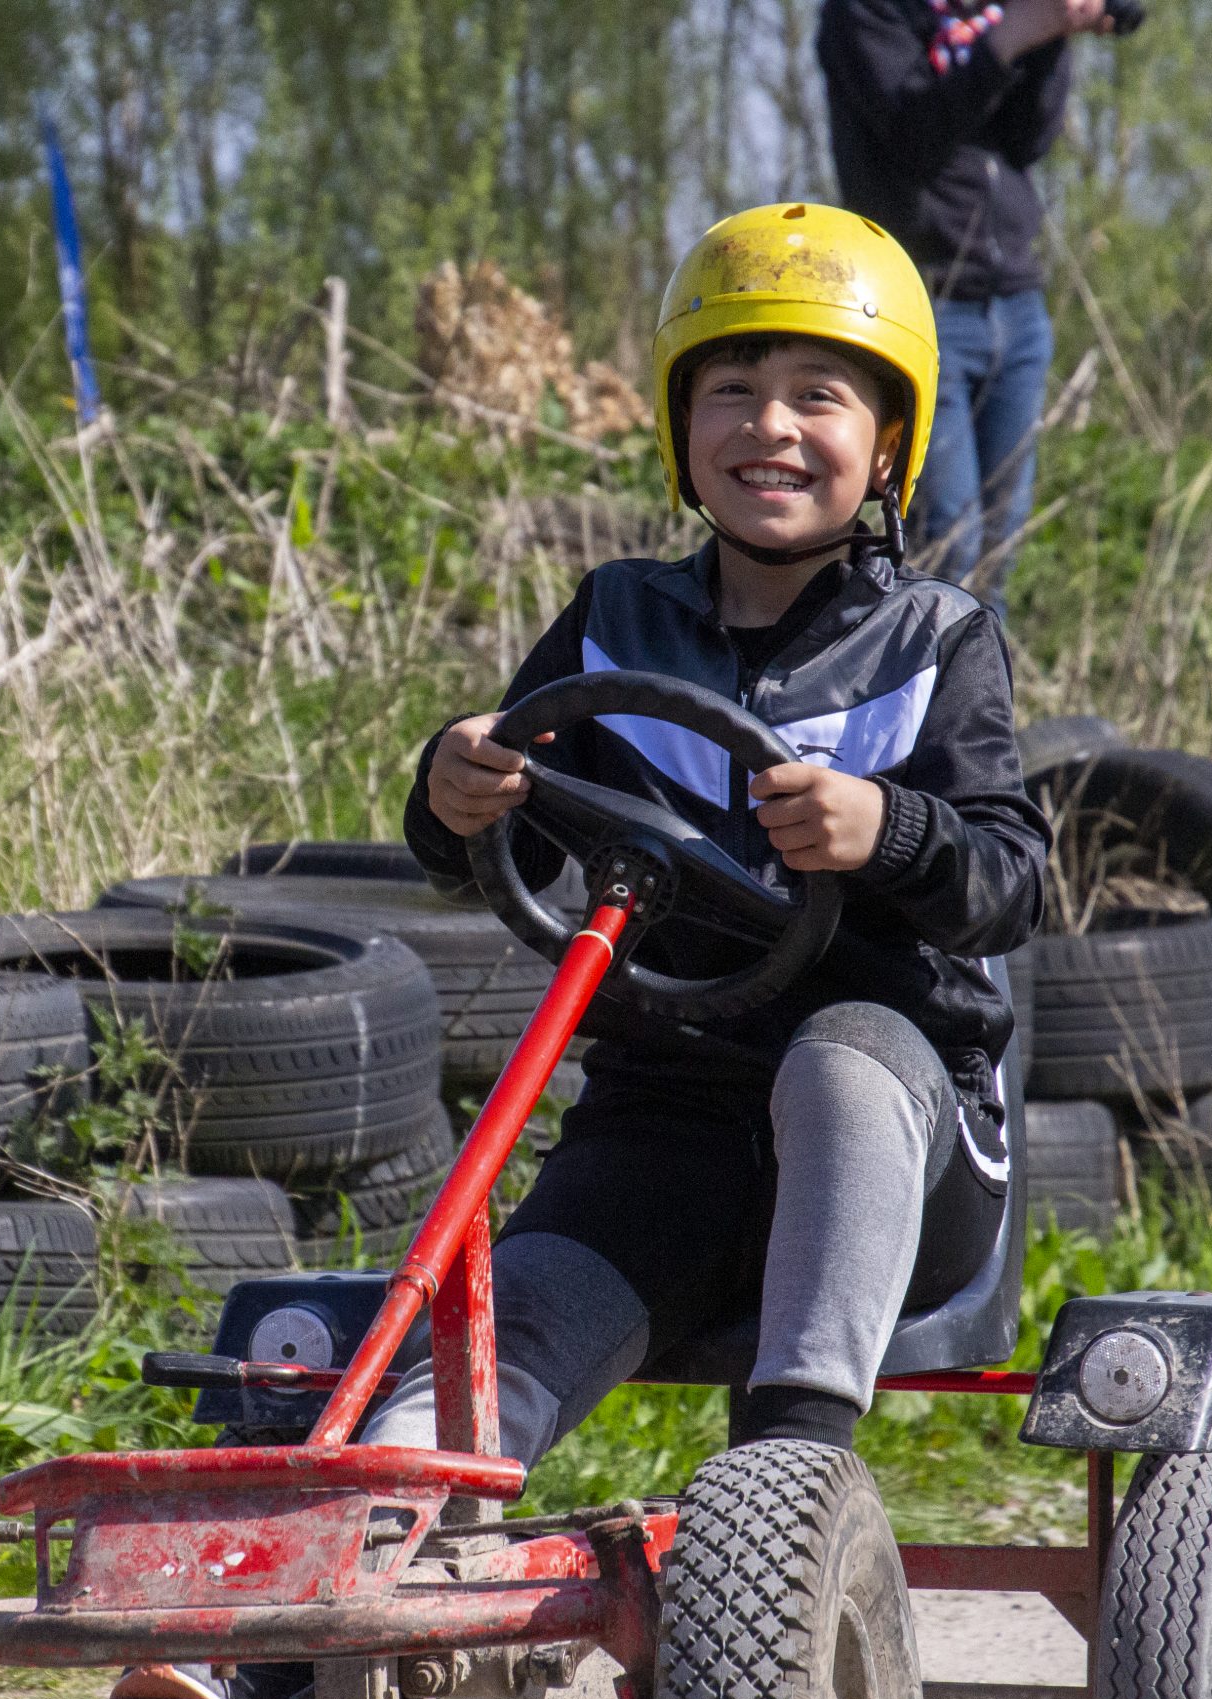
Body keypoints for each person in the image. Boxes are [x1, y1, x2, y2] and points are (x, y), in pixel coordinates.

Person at [370, 202, 1050, 1465]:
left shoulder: (936, 640)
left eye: (817, 396)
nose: (769, 426)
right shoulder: (613, 618)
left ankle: (792, 1471)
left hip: (899, 1144)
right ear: (681, 431)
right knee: (498, 1347)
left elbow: (1011, 884)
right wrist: (454, 792)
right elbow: (504, 839)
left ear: (889, 445)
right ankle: (378, 1528)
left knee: (839, 1058)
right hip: (665, 1121)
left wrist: (889, 830)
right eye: (731, 389)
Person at [817, 0, 1115, 603]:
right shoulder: (867, 16)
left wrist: (1049, 36)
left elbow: (1029, 139)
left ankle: (981, 667)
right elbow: (913, 135)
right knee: (945, 538)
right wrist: (1007, 41)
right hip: (922, 306)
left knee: (1003, 538)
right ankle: (917, 662)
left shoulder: (994, 16)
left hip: (1017, 304)